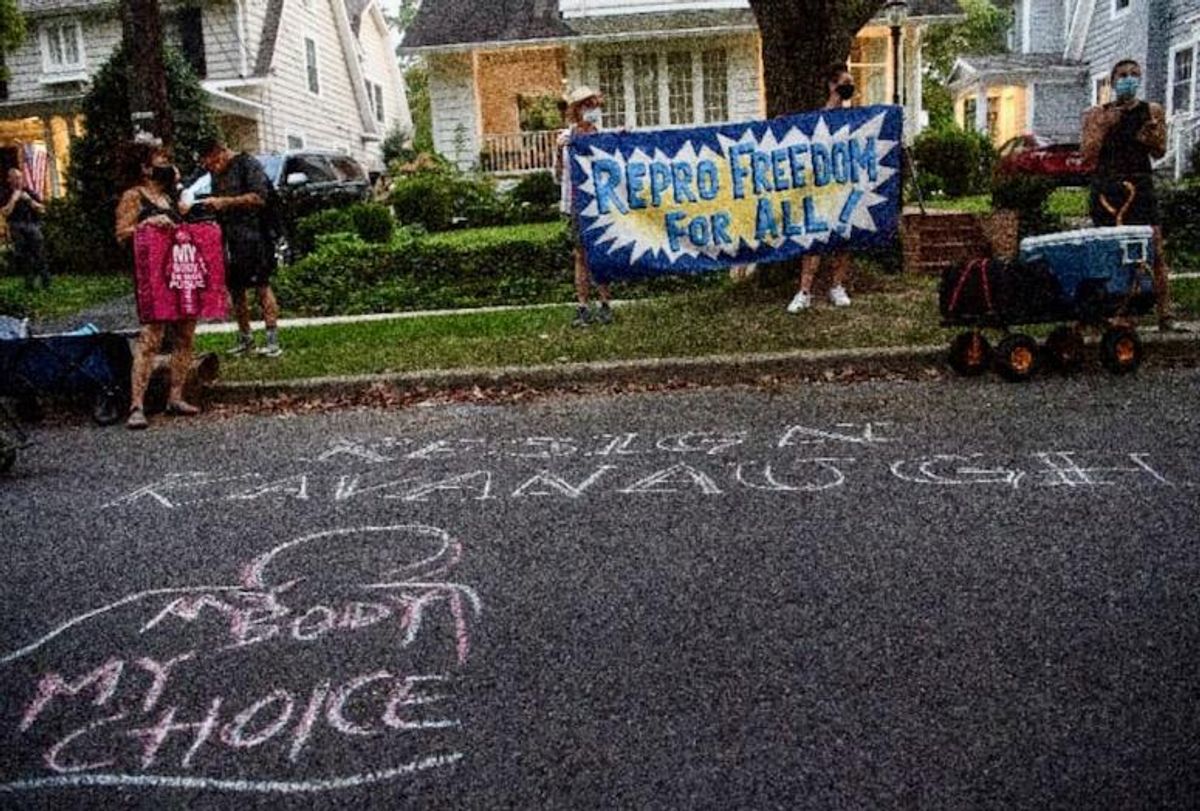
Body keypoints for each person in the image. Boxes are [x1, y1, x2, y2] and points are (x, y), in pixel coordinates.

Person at [1081, 58, 1183, 331]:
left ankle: (1165, 314)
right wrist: (1105, 126)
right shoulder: (1097, 114)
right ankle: (1112, 311)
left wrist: (1149, 137)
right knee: (1111, 250)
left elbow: (1159, 151)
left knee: (1155, 249)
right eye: (1123, 75)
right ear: (1113, 81)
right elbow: (1087, 155)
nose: (1129, 79)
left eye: (1134, 74)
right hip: (1108, 187)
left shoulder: (1151, 111)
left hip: (1140, 184)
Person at [114, 140, 199, 430]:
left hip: (177, 270)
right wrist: (147, 224)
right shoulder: (134, 196)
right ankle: (136, 404)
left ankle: (176, 395)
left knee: (185, 333)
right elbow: (121, 234)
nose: (167, 165)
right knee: (151, 336)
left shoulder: (169, 197)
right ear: (145, 168)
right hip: (151, 275)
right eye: (161, 160)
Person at [196, 136, 283, 355]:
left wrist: (225, 202)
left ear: (220, 152)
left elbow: (259, 197)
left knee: (261, 285)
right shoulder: (216, 174)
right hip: (229, 235)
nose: (211, 168)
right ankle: (245, 337)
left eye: (212, 161)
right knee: (235, 288)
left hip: (255, 233)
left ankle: (272, 340)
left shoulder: (247, 164)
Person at [787, 63, 857, 313]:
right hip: (819, 188)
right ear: (832, 85)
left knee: (843, 240)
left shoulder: (855, 118)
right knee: (814, 240)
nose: (849, 87)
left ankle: (837, 286)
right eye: (845, 83)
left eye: (851, 83)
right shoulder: (816, 119)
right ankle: (804, 291)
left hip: (844, 186)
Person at [555, 86, 613, 327]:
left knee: (601, 252)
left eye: (594, 105)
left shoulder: (602, 136)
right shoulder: (565, 138)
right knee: (580, 255)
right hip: (577, 203)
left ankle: (605, 303)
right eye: (587, 105)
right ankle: (582, 306)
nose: (592, 110)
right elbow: (558, 176)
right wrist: (560, 151)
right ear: (576, 110)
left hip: (600, 202)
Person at [1, 168, 50, 290]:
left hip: (32, 225)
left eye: (20, 177)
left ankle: (46, 282)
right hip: (16, 225)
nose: (18, 180)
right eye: (15, 178)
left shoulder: (29, 192)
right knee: (24, 255)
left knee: (39, 253)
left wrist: (29, 200)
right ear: (9, 180)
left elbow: (42, 209)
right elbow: (5, 212)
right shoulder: (5, 194)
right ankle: (29, 283)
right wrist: (13, 199)